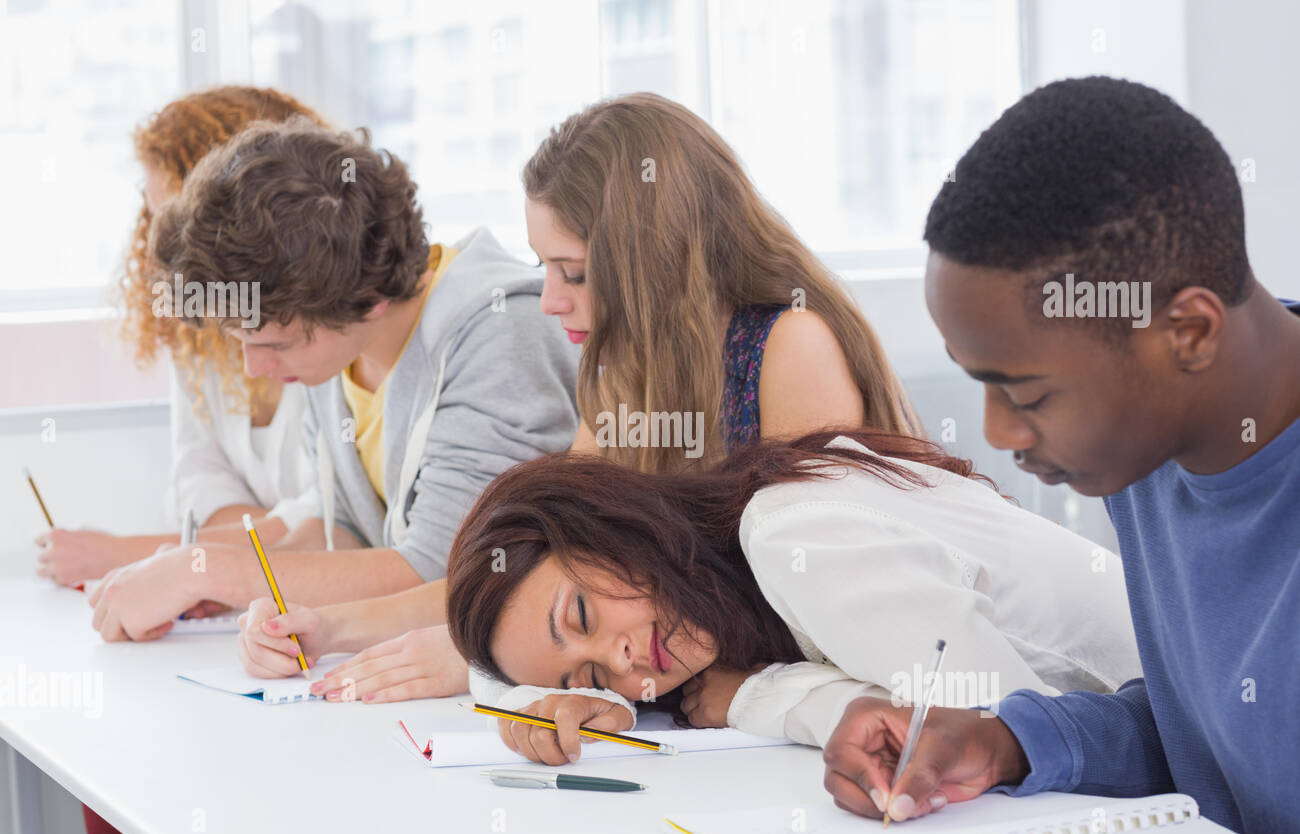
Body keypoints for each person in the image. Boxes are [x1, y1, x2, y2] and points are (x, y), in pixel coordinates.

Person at [235, 91, 923, 701]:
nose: (550, 301)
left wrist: (489, 665)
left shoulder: (789, 345)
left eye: (575, 272)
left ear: (658, 259)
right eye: (544, 269)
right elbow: (523, 577)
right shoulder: (624, 370)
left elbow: (801, 601)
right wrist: (325, 626)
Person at [821, 76, 1300, 834]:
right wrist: (1006, 741)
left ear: (1187, 333)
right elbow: (1231, 742)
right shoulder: (1153, 449)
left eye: (1030, 395)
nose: (998, 433)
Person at [86, 119, 581, 643]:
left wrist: (208, 569)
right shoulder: (338, 347)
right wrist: (216, 577)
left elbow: (446, 576)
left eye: (273, 345)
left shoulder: (500, 335)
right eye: (243, 342)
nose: (256, 368)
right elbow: (342, 531)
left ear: (367, 301)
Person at [436, 428, 1141, 766]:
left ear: (612, 526)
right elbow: (511, 663)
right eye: (591, 675)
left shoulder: (790, 535)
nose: (620, 662)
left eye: (582, 615)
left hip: (1189, 768)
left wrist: (760, 697)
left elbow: (978, 740)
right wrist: (566, 702)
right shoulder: (738, 558)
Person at [36, 87, 325, 591]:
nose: (160, 249)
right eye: (152, 218)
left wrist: (130, 554)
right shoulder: (196, 332)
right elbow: (198, 481)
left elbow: (338, 521)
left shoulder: (326, 324)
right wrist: (259, 545)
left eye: (175, 220)